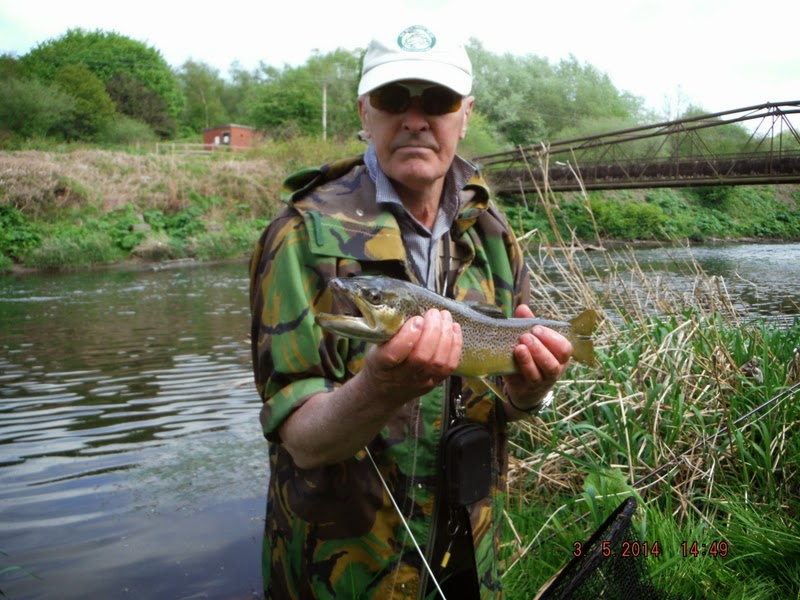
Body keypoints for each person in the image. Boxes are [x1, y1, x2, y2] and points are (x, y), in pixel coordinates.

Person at [249, 22, 573, 599]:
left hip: (469, 557)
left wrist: (530, 392)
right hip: (344, 575)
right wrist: (379, 388)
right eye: (395, 98)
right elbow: (299, 437)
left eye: (439, 100)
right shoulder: (298, 235)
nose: (416, 119)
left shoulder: (493, 234)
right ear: (365, 112)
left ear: (465, 114)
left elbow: (509, 399)